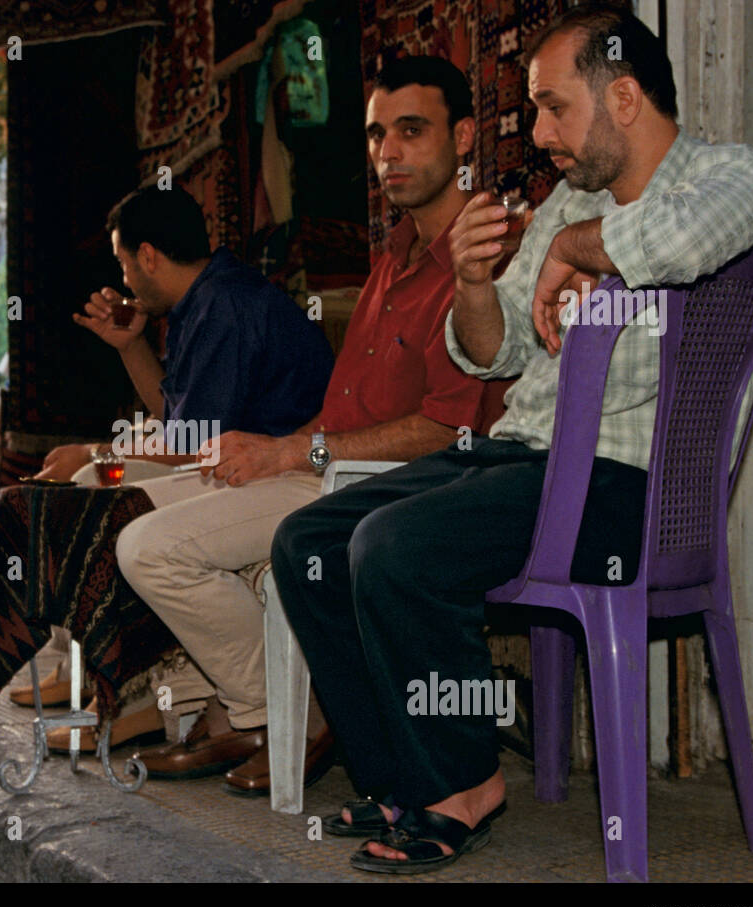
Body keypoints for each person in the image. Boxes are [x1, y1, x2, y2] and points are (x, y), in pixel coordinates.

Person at [271, 2, 753, 874]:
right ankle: (406, 774)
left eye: (555, 107)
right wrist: (475, 282)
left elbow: (694, 235)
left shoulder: (730, 176)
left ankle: (464, 782)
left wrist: (581, 248)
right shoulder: (564, 204)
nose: (542, 131)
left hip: (629, 486)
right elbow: (494, 351)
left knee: (394, 548)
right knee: (310, 542)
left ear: (623, 96)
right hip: (523, 459)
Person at [117, 56, 507, 788]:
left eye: (411, 131)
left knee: (149, 546)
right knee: (123, 507)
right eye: (376, 135)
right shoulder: (394, 252)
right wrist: (278, 450)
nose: (387, 152)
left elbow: (449, 430)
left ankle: (291, 706)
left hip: (382, 484)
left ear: (465, 137)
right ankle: (223, 708)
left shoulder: (479, 255)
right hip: (321, 463)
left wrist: (295, 451)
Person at [16, 185, 334, 718]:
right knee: (81, 488)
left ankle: (261, 701)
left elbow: (193, 448)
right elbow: (178, 427)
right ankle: (79, 667)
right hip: (233, 461)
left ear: (146, 256)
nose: (124, 281)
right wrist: (132, 345)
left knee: (94, 490)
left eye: (122, 263)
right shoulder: (200, 300)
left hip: (286, 470)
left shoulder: (225, 305)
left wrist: (96, 451)